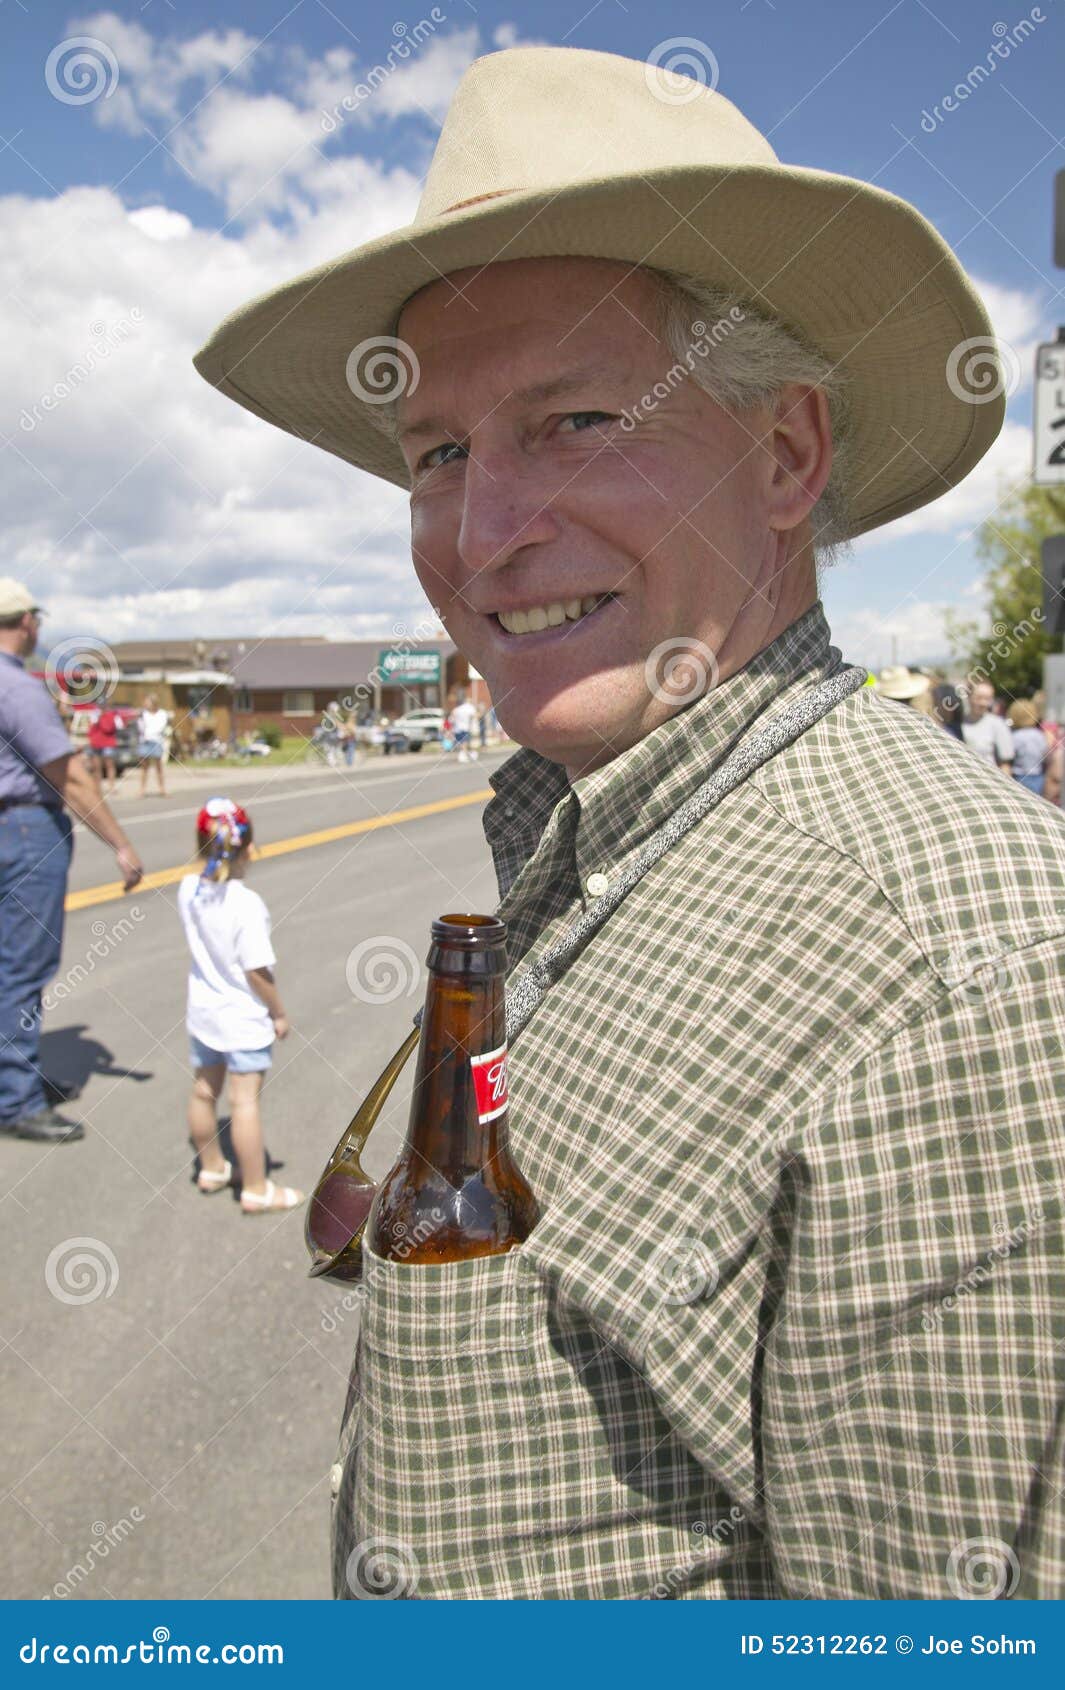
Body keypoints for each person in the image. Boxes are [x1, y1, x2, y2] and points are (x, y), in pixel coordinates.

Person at [195, 48, 1065, 1599]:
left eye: (577, 420)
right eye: (438, 454)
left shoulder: (962, 969)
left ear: (785, 452)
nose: (481, 536)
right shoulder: (597, 832)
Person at [0, 578, 143, 1142]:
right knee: (22, 968)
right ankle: (16, 1098)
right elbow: (72, 777)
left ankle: (17, 1078)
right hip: (24, 828)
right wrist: (120, 844)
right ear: (28, 622)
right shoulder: (17, 687)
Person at [177, 798, 303, 1214]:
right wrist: (278, 1012)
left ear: (200, 845)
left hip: (204, 1014)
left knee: (204, 1089)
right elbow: (256, 972)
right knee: (243, 1101)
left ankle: (212, 1167)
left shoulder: (189, 889)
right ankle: (256, 1188)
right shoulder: (245, 904)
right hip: (242, 1019)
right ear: (247, 847)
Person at [962, 680, 1014, 773]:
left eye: (988, 699)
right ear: (968, 697)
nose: (983, 703)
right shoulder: (958, 724)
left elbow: (1005, 765)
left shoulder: (998, 724)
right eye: (978, 698)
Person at [1007, 698, 1050, 796]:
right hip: (1038, 777)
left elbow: (1009, 755)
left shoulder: (1015, 736)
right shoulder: (1040, 735)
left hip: (1019, 777)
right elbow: (1045, 754)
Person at [137, 692, 170, 798]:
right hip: (145, 742)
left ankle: (162, 788)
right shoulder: (143, 714)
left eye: (148, 702)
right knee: (144, 767)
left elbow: (161, 727)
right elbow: (141, 727)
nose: (146, 704)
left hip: (156, 741)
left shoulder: (162, 714)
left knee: (158, 767)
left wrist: (150, 733)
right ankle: (142, 789)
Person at [87, 700, 119, 795]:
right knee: (97, 767)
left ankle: (111, 787)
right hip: (96, 744)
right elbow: (91, 731)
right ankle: (97, 787)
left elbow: (108, 728)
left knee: (109, 765)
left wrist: (101, 719)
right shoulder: (94, 716)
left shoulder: (111, 716)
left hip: (108, 744)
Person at [450, 693, 478, 762]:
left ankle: (466, 754)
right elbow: (475, 715)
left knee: (462, 742)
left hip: (457, 728)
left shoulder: (457, 709)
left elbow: (451, 718)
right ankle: (464, 755)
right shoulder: (469, 708)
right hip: (465, 728)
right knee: (465, 742)